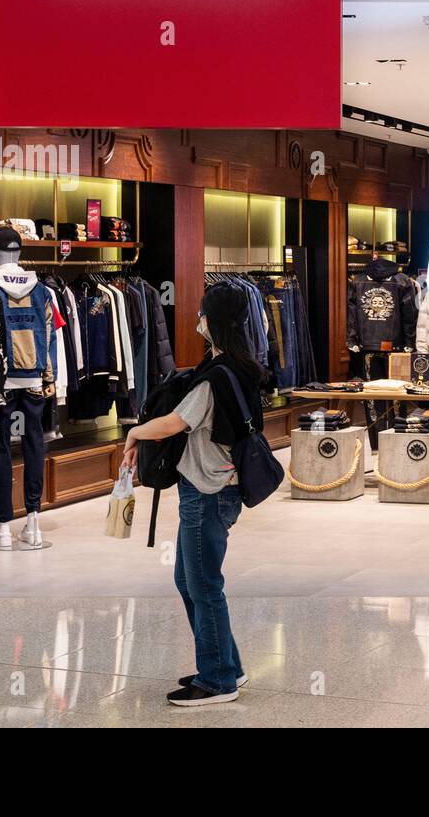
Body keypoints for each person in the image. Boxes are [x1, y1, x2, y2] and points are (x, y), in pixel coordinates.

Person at [123, 283, 265, 707]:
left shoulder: (216, 377)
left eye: (202, 314)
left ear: (214, 321)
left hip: (208, 491)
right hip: (218, 487)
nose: (197, 320)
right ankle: (227, 665)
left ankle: (218, 681)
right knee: (190, 580)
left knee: (202, 584)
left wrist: (134, 432)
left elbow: (173, 423)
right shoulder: (239, 367)